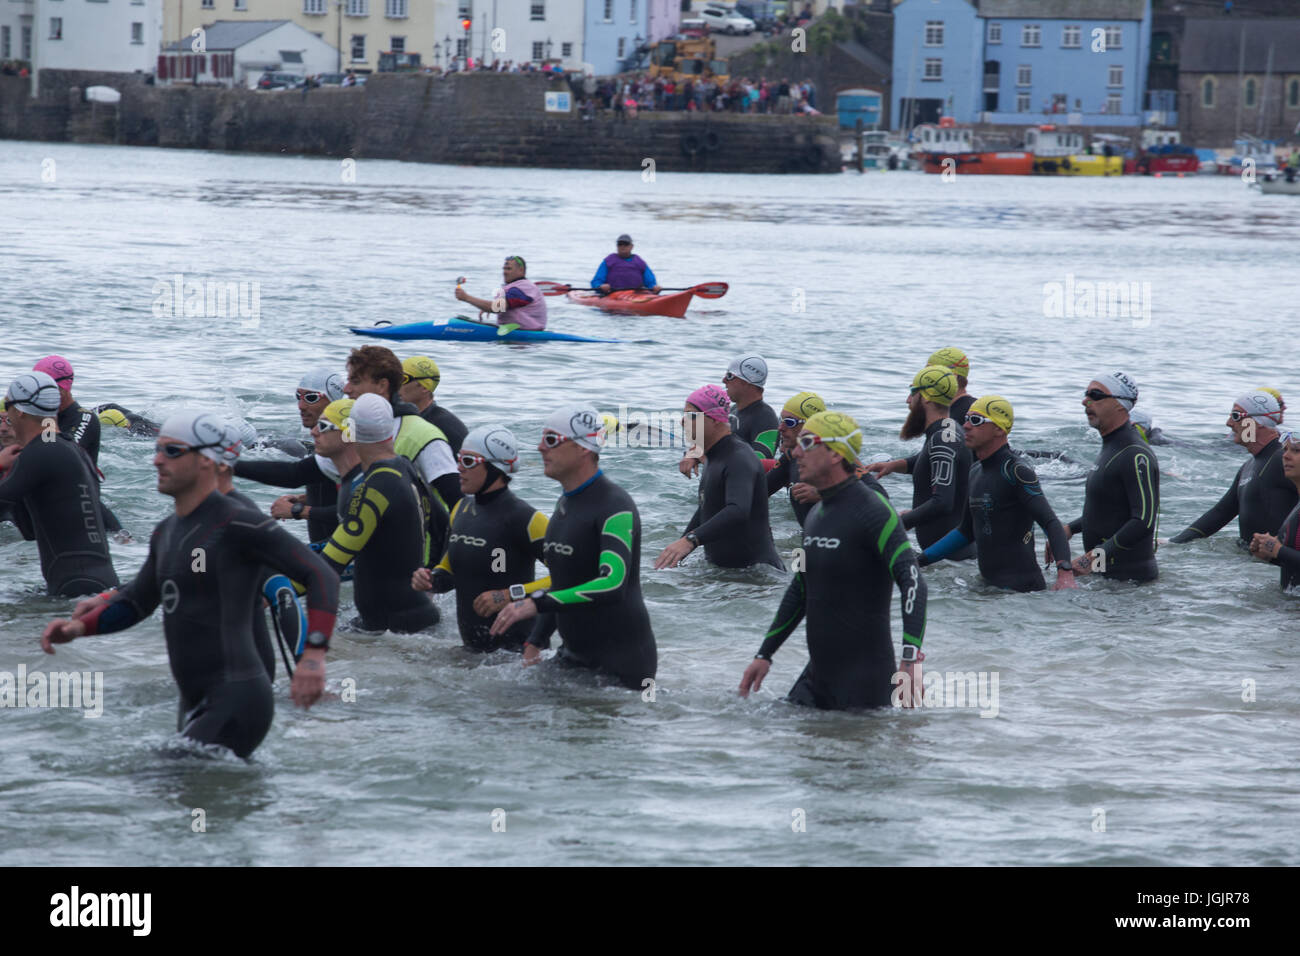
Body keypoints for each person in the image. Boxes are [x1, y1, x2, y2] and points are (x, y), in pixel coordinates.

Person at [42, 410, 339, 760]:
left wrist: (312, 657)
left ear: (206, 461)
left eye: (171, 451)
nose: (155, 460)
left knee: (152, 784)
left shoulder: (239, 522)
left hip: (238, 698)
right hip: (196, 700)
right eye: (157, 449)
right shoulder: (167, 530)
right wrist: (77, 628)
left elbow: (321, 576)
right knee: (183, 800)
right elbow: (139, 601)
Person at [738, 411, 927, 710]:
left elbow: (913, 580)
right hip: (817, 678)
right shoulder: (816, 514)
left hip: (864, 682)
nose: (796, 452)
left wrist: (910, 659)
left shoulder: (874, 511)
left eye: (808, 443)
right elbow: (800, 588)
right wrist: (764, 654)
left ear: (837, 454)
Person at [488, 406, 657, 689]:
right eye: (543, 439)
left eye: (551, 440)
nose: (540, 448)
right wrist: (535, 641)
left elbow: (613, 582)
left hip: (620, 668)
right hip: (572, 658)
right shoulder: (565, 504)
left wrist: (536, 602)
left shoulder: (615, 506)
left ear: (583, 448)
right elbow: (566, 583)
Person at [413, 425, 550, 651]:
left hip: (516, 658)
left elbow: (569, 577)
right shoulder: (460, 509)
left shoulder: (525, 518)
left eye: (468, 462)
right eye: (459, 459)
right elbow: (448, 572)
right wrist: (430, 579)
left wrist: (509, 595)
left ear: (495, 468)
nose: (458, 468)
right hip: (473, 656)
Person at [918, 396, 1076, 592]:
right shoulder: (975, 471)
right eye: (966, 419)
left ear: (999, 429)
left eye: (975, 421)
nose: (965, 426)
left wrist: (1065, 573)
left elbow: (1050, 522)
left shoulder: (1017, 472)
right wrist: (918, 561)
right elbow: (965, 532)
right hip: (989, 590)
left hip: (1023, 593)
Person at [313, 394, 441, 634]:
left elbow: (329, 564)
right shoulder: (405, 467)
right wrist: (434, 578)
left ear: (351, 432)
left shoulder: (374, 487)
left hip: (392, 630)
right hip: (415, 618)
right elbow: (444, 527)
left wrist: (272, 590)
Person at [0, 372, 118, 597]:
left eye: (8, 405)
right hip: (94, 581)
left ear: (20, 411)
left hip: (75, 587)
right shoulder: (72, 449)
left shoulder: (40, 453)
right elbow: (30, 531)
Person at [343, 345, 460, 553]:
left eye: (356, 381)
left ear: (382, 386)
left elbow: (459, 505)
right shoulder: (354, 429)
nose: (346, 389)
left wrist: (440, 570)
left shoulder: (425, 436)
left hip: (417, 570)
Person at [656, 385, 783, 570]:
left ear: (714, 419)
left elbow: (738, 511)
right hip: (728, 577)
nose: (683, 422)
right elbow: (707, 508)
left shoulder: (738, 458)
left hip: (756, 579)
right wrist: (679, 549)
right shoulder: (714, 455)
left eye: (691, 416)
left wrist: (691, 540)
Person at [1056, 372, 1160, 582]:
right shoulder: (1111, 447)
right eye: (1086, 394)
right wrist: (1069, 529)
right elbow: (1109, 512)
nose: (1085, 401)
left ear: (1120, 405)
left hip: (1131, 584)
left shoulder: (1135, 454)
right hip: (1108, 578)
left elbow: (1144, 521)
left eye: (1095, 395)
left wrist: (1094, 558)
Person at [865, 365, 974, 558]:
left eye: (912, 392)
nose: (908, 400)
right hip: (947, 555)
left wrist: (900, 524)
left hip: (951, 560)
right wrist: (894, 466)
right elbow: (933, 461)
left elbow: (943, 502)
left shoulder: (942, 438)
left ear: (926, 397)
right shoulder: (949, 429)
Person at [229, 368, 346, 543]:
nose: (301, 405)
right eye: (298, 397)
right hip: (332, 552)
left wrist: (298, 511)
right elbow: (346, 495)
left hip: (347, 557)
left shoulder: (348, 451)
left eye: (311, 398)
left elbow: (359, 512)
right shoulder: (332, 450)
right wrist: (305, 499)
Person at [1169, 391, 1295, 546]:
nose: (1228, 423)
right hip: (1255, 565)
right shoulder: (1248, 466)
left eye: (1236, 416)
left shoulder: (1283, 459)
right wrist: (1173, 543)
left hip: (1278, 565)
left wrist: (1282, 550)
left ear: (1257, 422)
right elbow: (1220, 513)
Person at [766, 390, 891, 524]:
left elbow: (881, 499)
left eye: (789, 422)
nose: (780, 428)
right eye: (781, 420)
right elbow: (758, 493)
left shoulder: (839, 459)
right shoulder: (791, 458)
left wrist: (824, 493)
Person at [1249, 431, 1300, 590]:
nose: (1285, 456)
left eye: (1296, 451)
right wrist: (1269, 555)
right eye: (1285, 450)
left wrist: (1278, 550)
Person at [454, 255, 547, 333]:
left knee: (456, 323)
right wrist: (485, 307)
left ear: (521, 270)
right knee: (459, 320)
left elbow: (498, 307)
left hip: (524, 337)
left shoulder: (522, 287)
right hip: (513, 331)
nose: (505, 272)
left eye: (509, 269)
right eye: (504, 269)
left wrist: (466, 298)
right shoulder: (517, 286)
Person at [399, 355, 467, 453]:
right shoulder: (397, 416)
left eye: (402, 380)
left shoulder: (447, 426)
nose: (395, 385)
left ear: (425, 387)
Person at [591, 234, 660, 294]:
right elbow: (596, 281)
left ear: (631, 246)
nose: (622, 246)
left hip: (637, 294)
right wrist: (600, 286)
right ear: (617, 246)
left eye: (626, 244)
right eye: (620, 244)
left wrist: (654, 287)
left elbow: (650, 282)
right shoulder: (608, 261)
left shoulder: (640, 262)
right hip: (612, 294)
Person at [926, 347, 974, 425]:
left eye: (931, 374)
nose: (924, 380)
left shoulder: (969, 414)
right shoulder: (948, 410)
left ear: (953, 377)